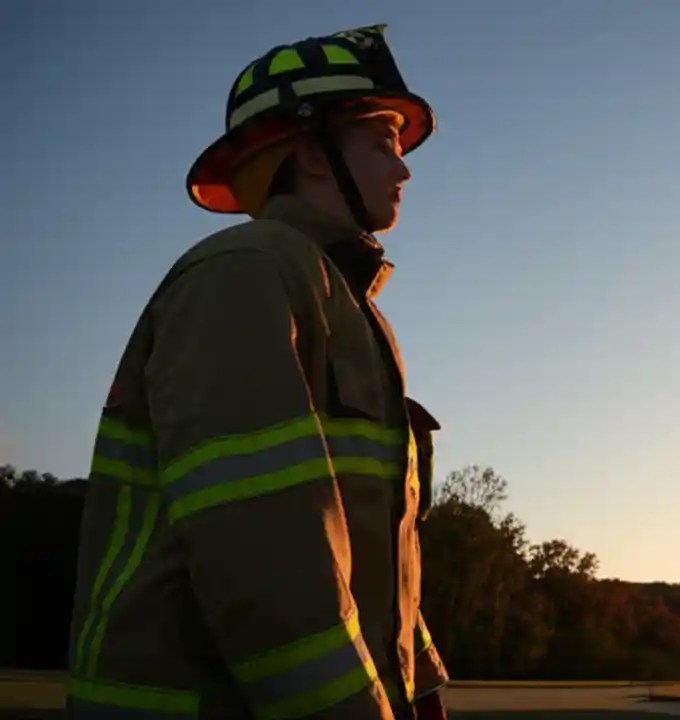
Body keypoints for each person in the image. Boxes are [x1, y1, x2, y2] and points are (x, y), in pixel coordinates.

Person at [65, 24, 449, 719]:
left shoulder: (345, 302)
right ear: (309, 154)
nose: (404, 169)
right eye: (383, 143)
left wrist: (419, 685)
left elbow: (372, 544)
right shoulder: (246, 274)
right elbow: (264, 546)